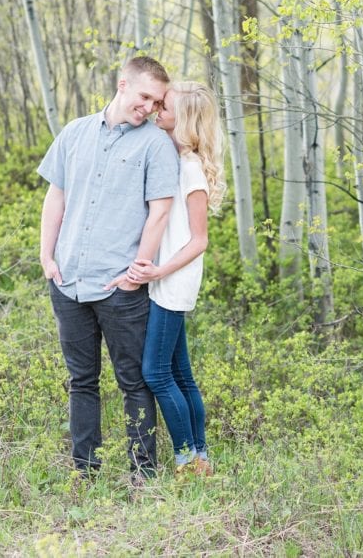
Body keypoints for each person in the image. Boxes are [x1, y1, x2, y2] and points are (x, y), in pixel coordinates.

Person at [37, 55, 179, 478]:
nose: (150, 108)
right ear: (122, 85)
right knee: (82, 381)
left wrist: (138, 270)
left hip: (120, 288)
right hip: (69, 283)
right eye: (145, 97)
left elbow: (159, 213)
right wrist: (47, 257)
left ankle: (142, 472)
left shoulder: (155, 145)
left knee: (134, 383)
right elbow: (55, 198)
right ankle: (85, 469)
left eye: (156, 103)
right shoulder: (75, 133)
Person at [123, 81, 226, 476]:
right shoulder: (175, 157)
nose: (157, 108)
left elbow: (199, 241)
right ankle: (200, 456)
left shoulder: (190, 169)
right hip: (165, 278)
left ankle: (186, 458)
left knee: (156, 372)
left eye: (165, 105)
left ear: (183, 119)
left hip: (174, 281)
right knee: (181, 372)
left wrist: (158, 271)